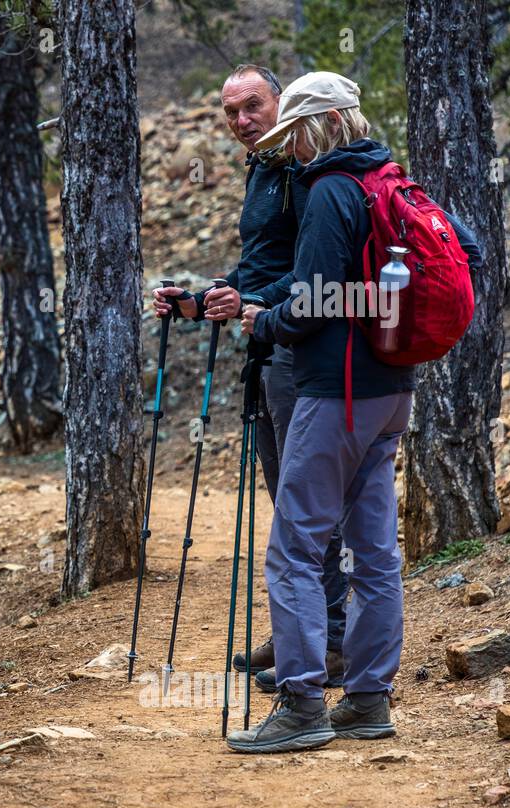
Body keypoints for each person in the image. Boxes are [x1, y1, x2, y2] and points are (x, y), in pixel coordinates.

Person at [222, 72, 483, 753]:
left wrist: (262, 321)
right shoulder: (392, 181)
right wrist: (376, 310)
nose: (292, 147)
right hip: (393, 390)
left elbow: (309, 302)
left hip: (333, 394)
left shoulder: (332, 189)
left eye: (294, 132)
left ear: (323, 126)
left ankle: (303, 704)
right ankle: (368, 700)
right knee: (373, 552)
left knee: (297, 548)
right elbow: (470, 251)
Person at [153, 64, 347, 691]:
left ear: (281, 102)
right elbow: (260, 264)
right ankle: (304, 629)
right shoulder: (263, 168)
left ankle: (334, 638)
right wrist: (204, 298)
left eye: (253, 106)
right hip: (268, 346)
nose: (242, 121)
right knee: (288, 496)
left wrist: (246, 303)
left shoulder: (302, 167)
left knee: (309, 499)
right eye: (231, 111)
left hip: (304, 347)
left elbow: (316, 272)